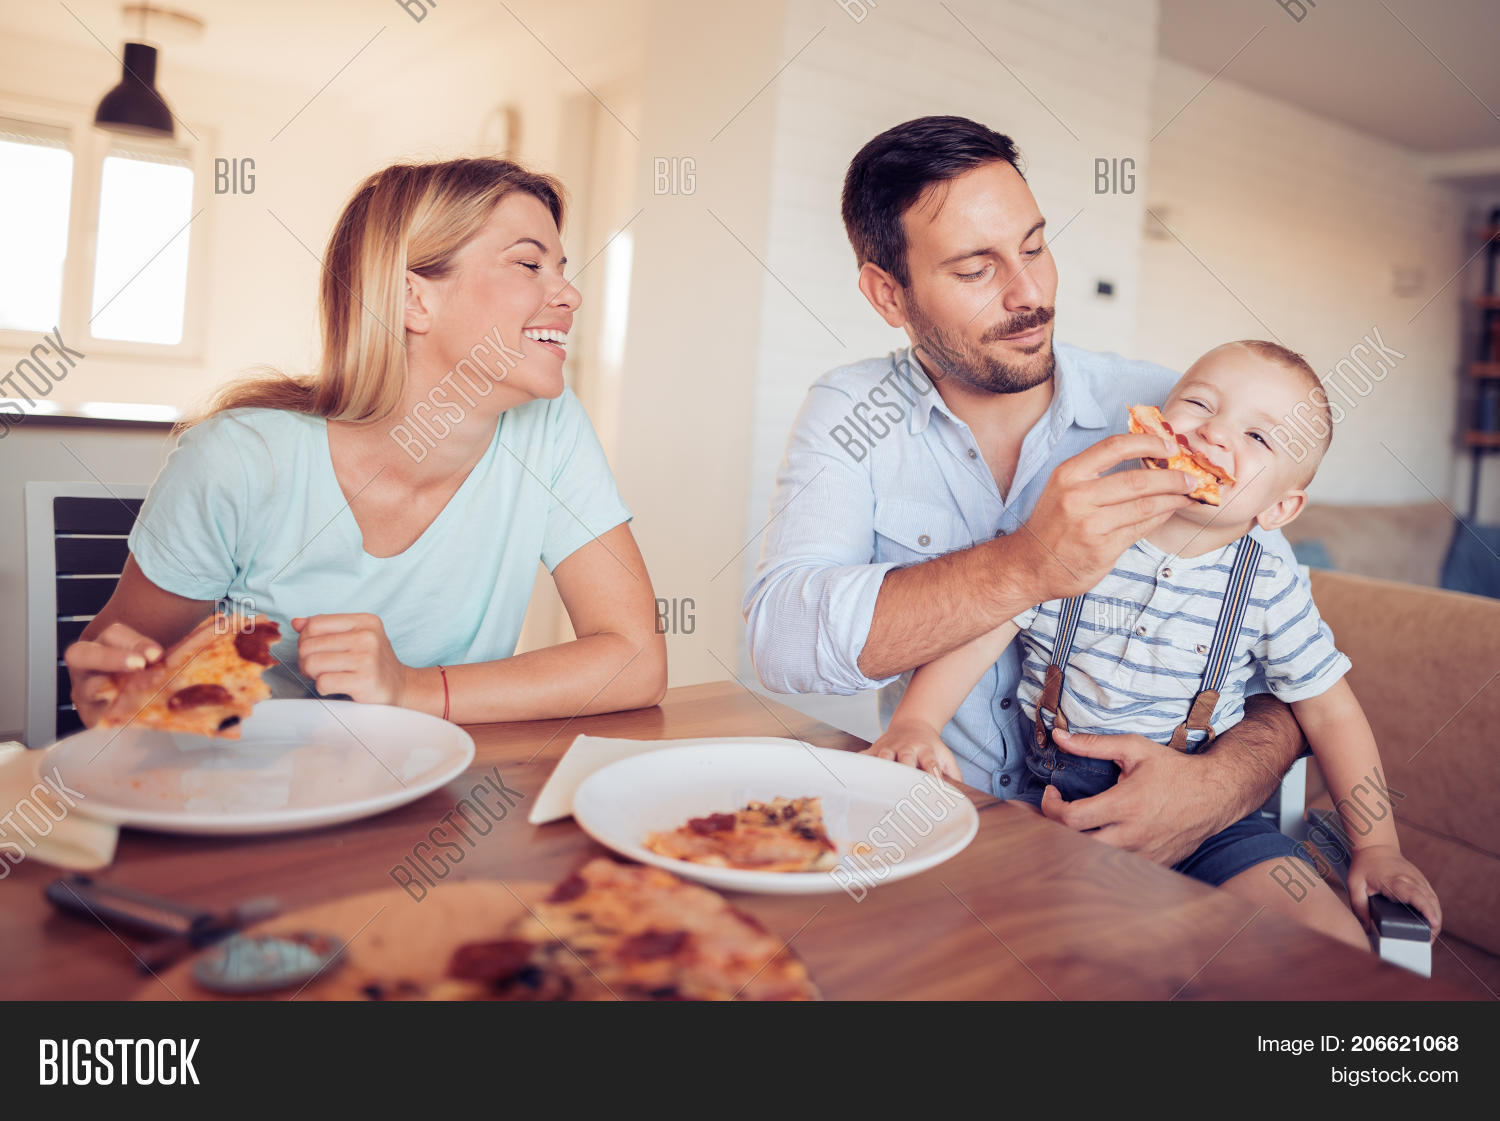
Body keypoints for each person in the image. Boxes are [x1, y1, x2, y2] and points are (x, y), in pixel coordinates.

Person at [743, 115, 1308, 866]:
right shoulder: (853, 412)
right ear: (888, 294)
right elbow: (779, 640)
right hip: (944, 830)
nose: (1030, 293)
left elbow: (1288, 680)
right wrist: (1029, 563)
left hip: (1171, 846)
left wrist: (1215, 789)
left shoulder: (1178, 414)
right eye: (976, 270)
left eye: (1036, 247)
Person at [869, 341, 1442, 945]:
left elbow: (1330, 711)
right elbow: (991, 622)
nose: (1216, 434)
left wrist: (1377, 847)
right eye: (1199, 404)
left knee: (1331, 947)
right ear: (1154, 422)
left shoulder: (1271, 586)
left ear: (1281, 507)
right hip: (1058, 807)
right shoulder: (1081, 534)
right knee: (1020, 944)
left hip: (1213, 831)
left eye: (1259, 437)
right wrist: (917, 722)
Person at [65, 158, 667, 726]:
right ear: (413, 299)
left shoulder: (551, 428)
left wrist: (412, 689)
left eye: (562, 268)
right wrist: (115, 692)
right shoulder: (240, 459)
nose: (570, 294)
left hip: (438, 803)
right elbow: (119, 671)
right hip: (245, 801)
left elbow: (636, 659)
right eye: (530, 265)